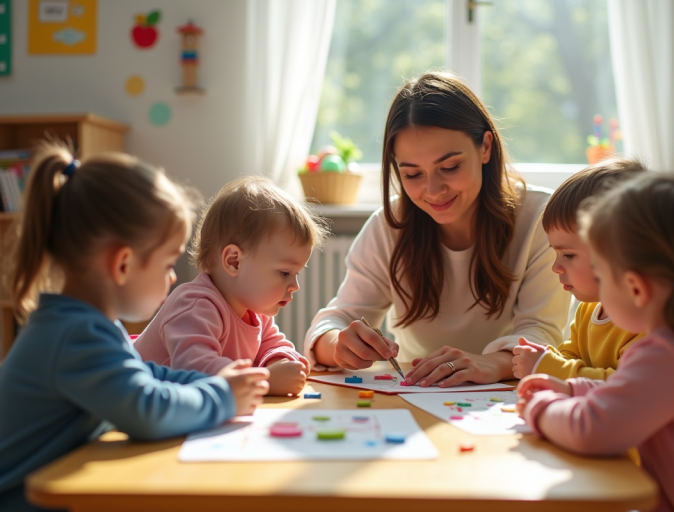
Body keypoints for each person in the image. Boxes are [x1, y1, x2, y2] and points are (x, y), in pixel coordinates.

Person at [0, 144, 269, 512]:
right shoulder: (75, 335)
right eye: (167, 263)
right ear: (124, 264)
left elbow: (142, 373)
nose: (173, 277)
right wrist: (222, 397)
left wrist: (211, 382)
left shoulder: (85, 324)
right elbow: (145, 409)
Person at [517, 174, 674, 512]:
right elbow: (637, 394)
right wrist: (574, 390)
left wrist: (541, 407)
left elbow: (592, 430)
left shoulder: (670, 353)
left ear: (635, 288)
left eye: (603, 278)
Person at [305, 71, 569, 387]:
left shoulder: (542, 217)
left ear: (485, 147)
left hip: (512, 392)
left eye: (449, 167)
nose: (433, 190)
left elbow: (541, 332)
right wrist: (339, 346)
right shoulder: (388, 226)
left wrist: (490, 364)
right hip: (419, 393)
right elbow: (333, 322)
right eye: (413, 175)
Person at [136, 176, 327, 396]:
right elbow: (195, 371)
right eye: (285, 273)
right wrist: (266, 381)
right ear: (234, 261)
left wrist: (280, 362)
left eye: (296, 274)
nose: (295, 286)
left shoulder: (256, 312)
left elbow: (274, 344)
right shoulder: (195, 306)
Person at [511, 158, 646, 380]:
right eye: (555, 253)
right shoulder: (588, 310)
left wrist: (550, 368)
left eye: (569, 255)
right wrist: (545, 357)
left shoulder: (647, 320)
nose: (556, 268)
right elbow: (572, 355)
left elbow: (628, 386)